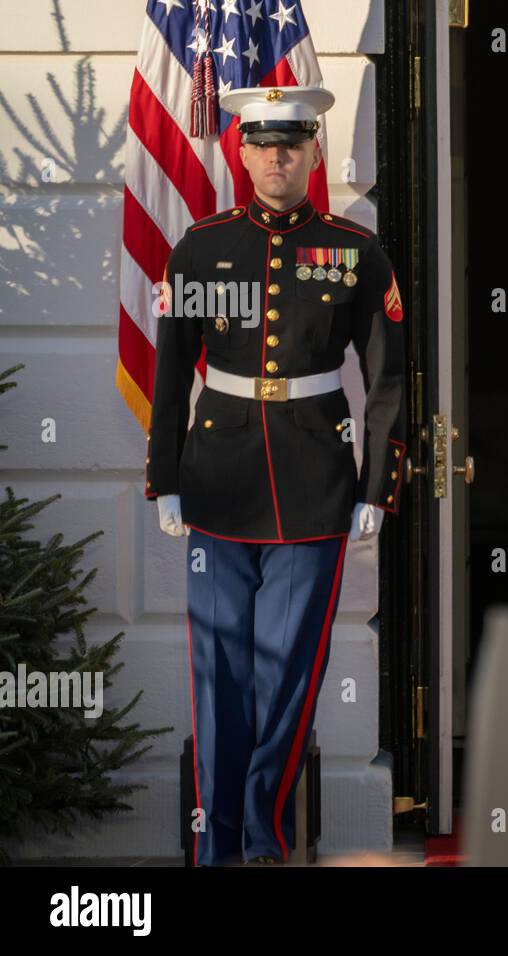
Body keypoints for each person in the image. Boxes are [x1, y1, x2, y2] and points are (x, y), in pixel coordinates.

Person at [144, 85, 407, 865]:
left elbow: (389, 381)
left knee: (284, 679)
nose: (278, 156)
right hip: (218, 483)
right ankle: (216, 846)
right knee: (220, 676)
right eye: (262, 143)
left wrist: (375, 487)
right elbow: (169, 377)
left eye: (293, 142)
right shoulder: (199, 248)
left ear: (314, 152)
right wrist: (166, 477)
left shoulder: (355, 251)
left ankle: (263, 838)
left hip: (312, 486)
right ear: (242, 152)